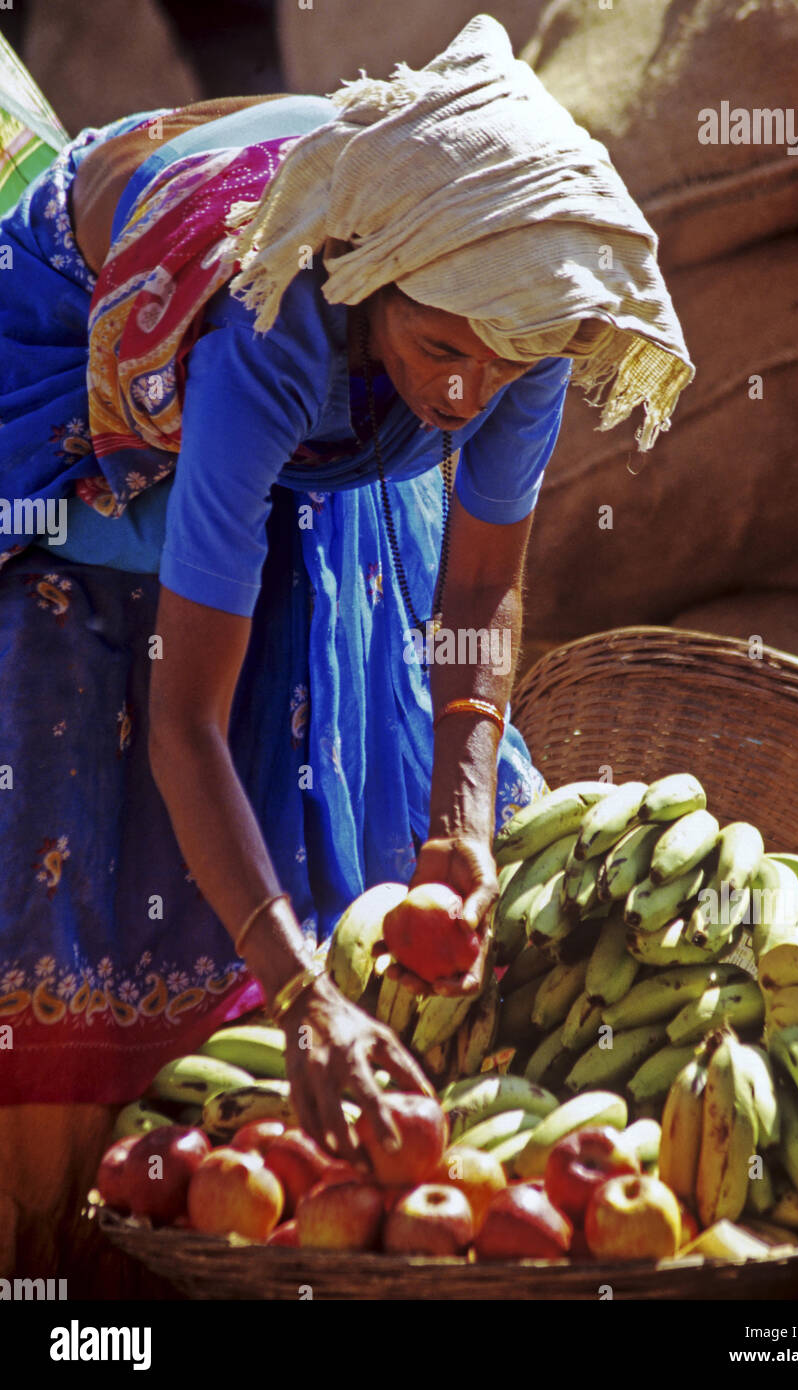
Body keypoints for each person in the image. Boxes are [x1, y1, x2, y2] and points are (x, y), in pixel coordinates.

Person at [0, 16, 693, 1278]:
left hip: (327, 373)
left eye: (496, 371)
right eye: (440, 355)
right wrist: (307, 1000)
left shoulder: (510, 318)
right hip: (109, 336)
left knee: (350, 589)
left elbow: (477, 597)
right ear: (376, 287)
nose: (462, 400)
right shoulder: (268, 334)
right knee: (108, 617)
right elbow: (182, 722)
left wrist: (461, 826)